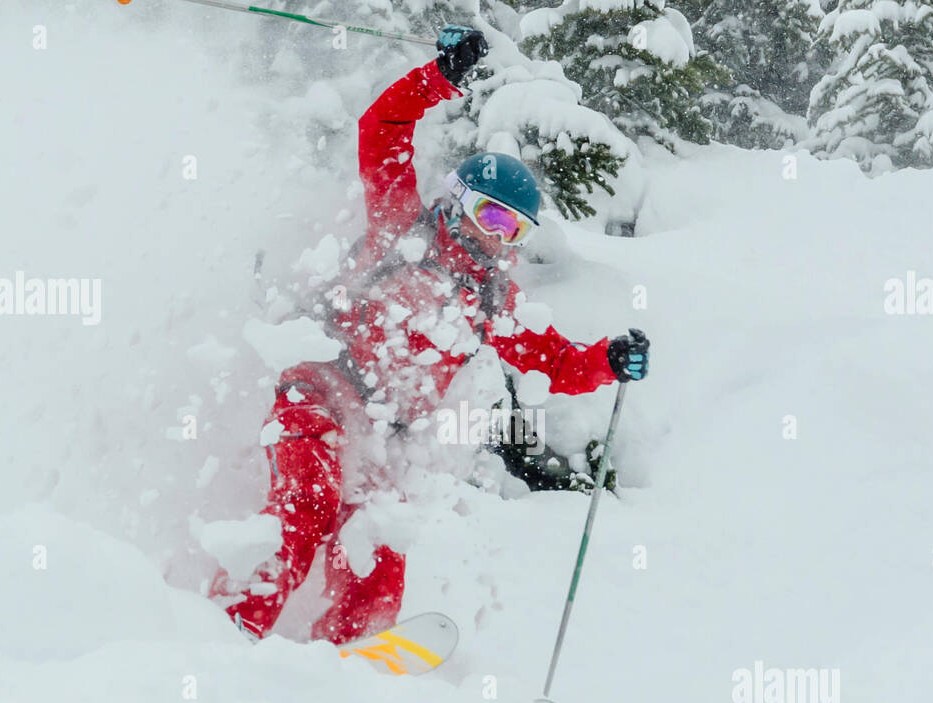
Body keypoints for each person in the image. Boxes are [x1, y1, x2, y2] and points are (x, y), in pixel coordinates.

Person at [215, 26, 651, 644]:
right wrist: (438, 78)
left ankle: (339, 662)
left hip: (377, 435)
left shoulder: (494, 302)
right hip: (319, 391)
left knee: (380, 557)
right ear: (462, 201)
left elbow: (555, 362)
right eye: (493, 217)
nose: (500, 239)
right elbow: (382, 131)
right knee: (303, 515)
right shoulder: (404, 229)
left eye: (517, 232)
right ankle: (226, 630)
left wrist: (610, 359)